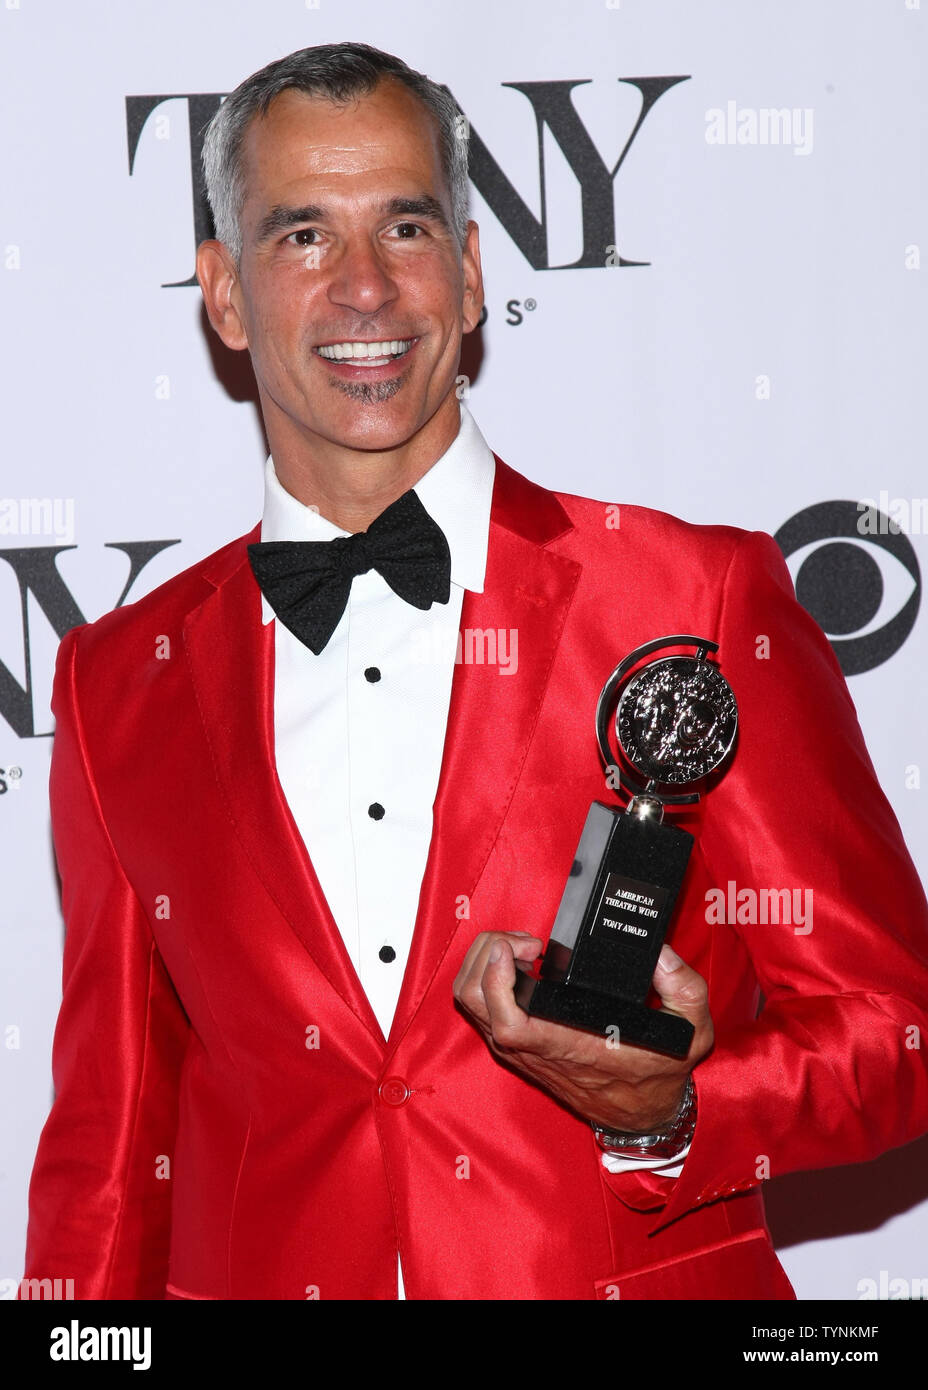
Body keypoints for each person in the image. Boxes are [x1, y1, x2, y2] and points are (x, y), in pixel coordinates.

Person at [22, 41, 928, 1301]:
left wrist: (670, 1111)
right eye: (301, 236)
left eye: (405, 226)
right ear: (223, 297)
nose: (364, 290)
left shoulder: (695, 600)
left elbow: (893, 1035)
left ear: (468, 270)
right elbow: (110, 1155)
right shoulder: (115, 681)